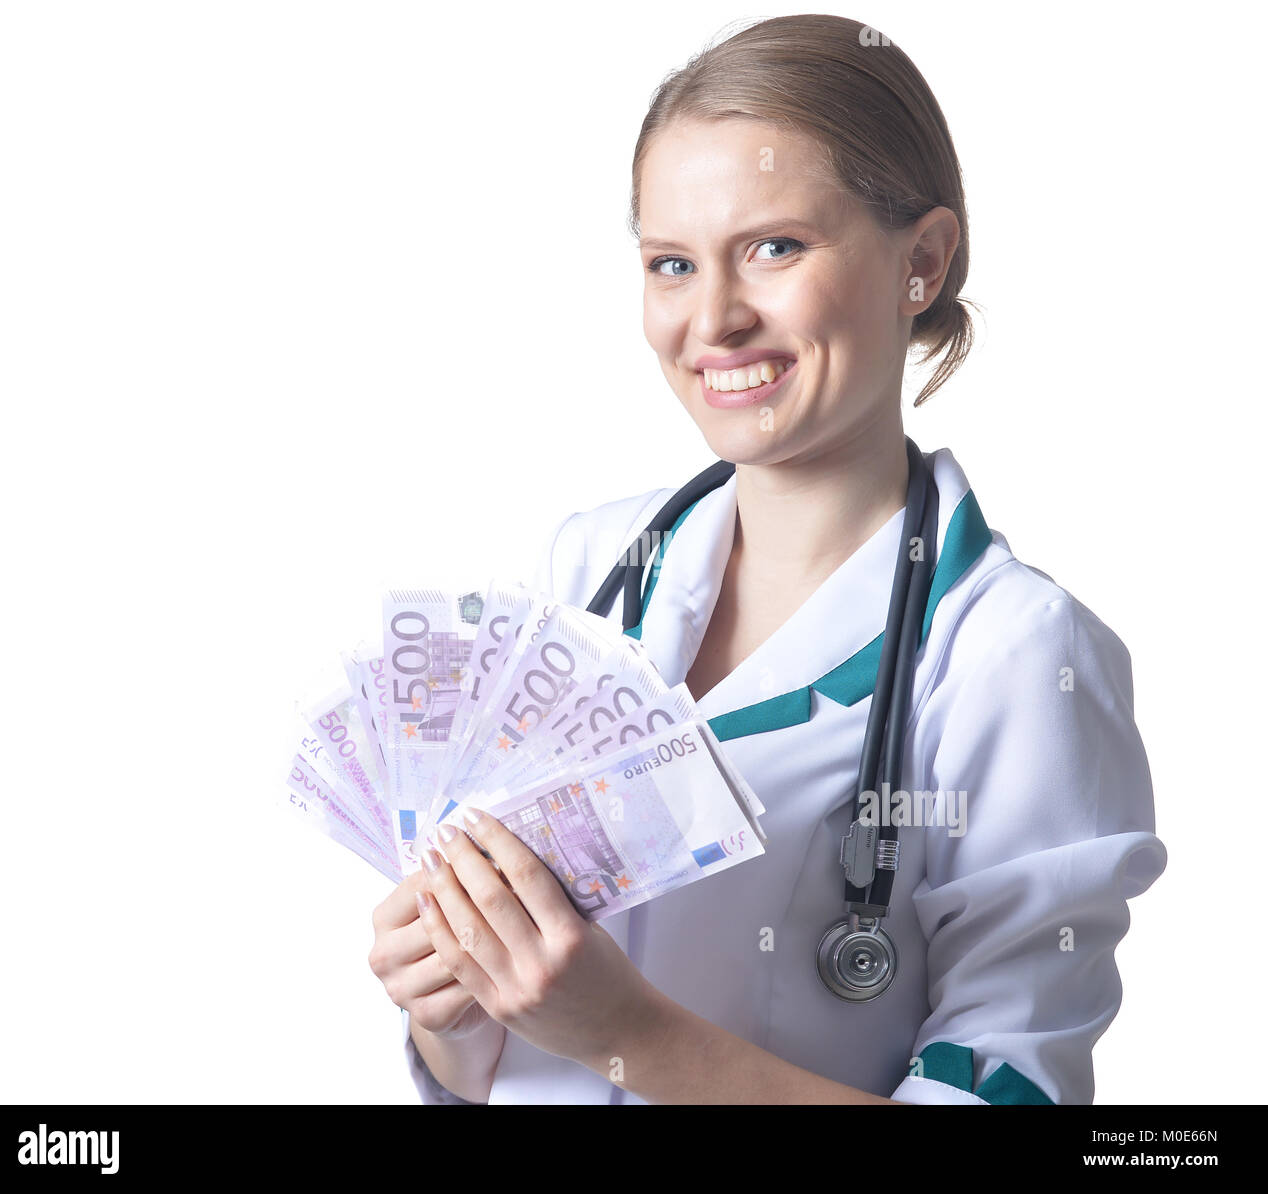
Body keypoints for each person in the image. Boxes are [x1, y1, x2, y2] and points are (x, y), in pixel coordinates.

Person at [366, 13, 1167, 1105]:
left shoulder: (1015, 657)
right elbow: (510, 1070)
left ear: (920, 263)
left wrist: (629, 1034)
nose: (714, 320)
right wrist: (454, 1010)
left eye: (774, 248)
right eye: (670, 264)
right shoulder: (596, 563)